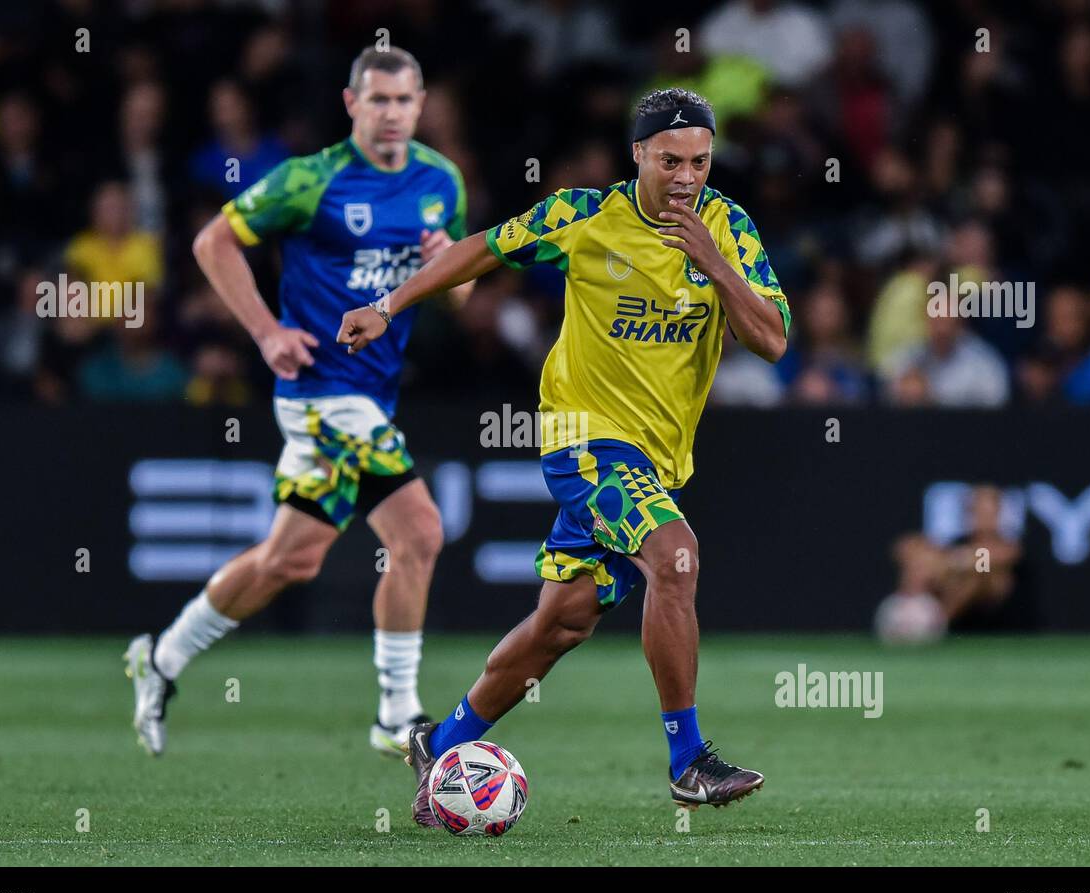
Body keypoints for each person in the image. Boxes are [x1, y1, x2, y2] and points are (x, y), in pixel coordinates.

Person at [339, 88, 791, 823]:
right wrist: (388, 307)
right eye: (670, 160)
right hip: (583, 441)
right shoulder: (584, 216)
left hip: (658, 461)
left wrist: (714, 264)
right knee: (675, 557)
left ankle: (439, 743)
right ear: (637, 154)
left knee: (563, 623)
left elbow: (771, 340)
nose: (686, 177)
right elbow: (483, 248)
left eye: (700, 162)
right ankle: (688, 761)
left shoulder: (728, 228)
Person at [124, 46, 473, 757]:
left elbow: (461, 293)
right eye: (378, 100)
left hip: (374, 395)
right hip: (320, 390)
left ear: (420, 104)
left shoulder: (441, 181)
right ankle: (396, 715)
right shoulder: (310, 180)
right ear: (352, 104)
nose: (392, 114)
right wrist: (265, 332)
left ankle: (160, 657)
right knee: (419, 531)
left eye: (404, 100)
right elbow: (213, 242)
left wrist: (445, 266)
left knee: (291, 559)